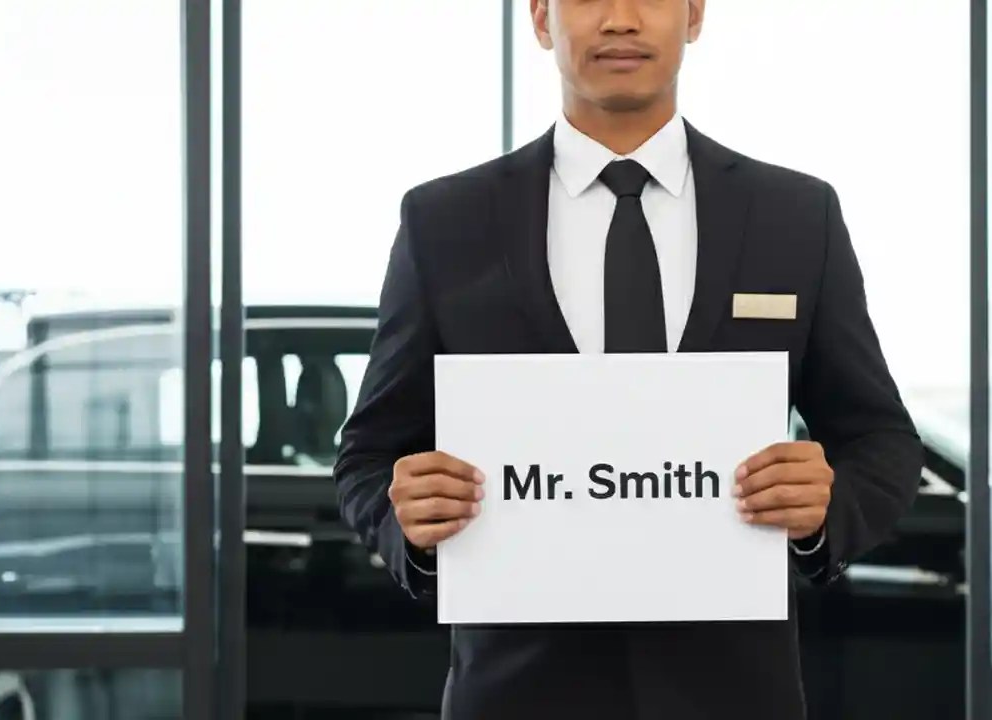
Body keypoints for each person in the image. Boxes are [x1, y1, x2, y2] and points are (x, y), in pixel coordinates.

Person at [333, 1, 923, 718]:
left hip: (733, 697)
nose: (620, 19)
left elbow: (881, 441)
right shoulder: (445, 222)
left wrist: (828, 509)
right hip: (518, 696)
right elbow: (368, 456)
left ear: (694, 14)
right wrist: (409, 523)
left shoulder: (795, 215)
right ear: (542, 19)